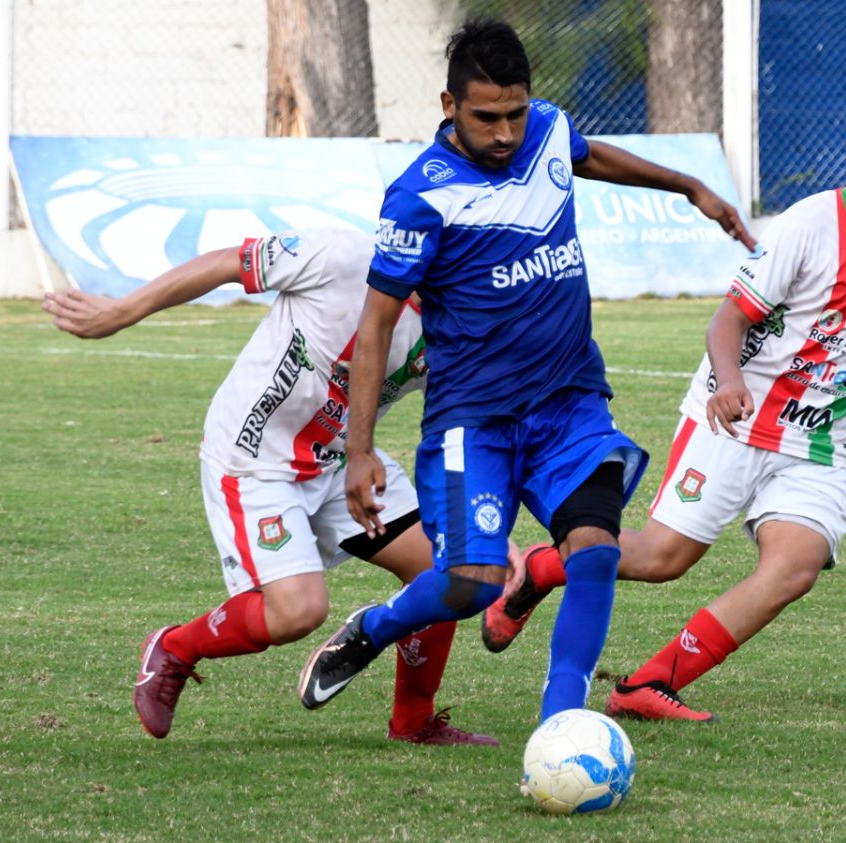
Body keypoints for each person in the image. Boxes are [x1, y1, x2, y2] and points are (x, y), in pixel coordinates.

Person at [480, 106, 846, 722]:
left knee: (796, 566)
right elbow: (728, 318)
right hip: (733, 418)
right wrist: (728, 382)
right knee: (661, 560)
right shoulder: (808, 225)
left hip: (816, 440)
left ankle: (648, 684)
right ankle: (542, 567)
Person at [297, 17, 755, 725]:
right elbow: (377, 323)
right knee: (473, 585)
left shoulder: (547, 129)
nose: (506, 132)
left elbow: (588, 156)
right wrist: (359, 452)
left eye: (515, 113)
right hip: (473, 421)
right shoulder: (420, 197)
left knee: (595, 550)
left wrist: (688, 185)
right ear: (449, 106)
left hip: (569, 403)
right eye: (486, 118)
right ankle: (377, 626)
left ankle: (561, 723)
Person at [44, 226, 503, 746]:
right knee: (298, 612)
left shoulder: (459, 329)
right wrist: (122, 312)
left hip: (340, 460)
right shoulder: (341, 256)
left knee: (451, 568)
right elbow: (227, 262)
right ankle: (174, 648)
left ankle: (413, 721)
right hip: (255, 458)